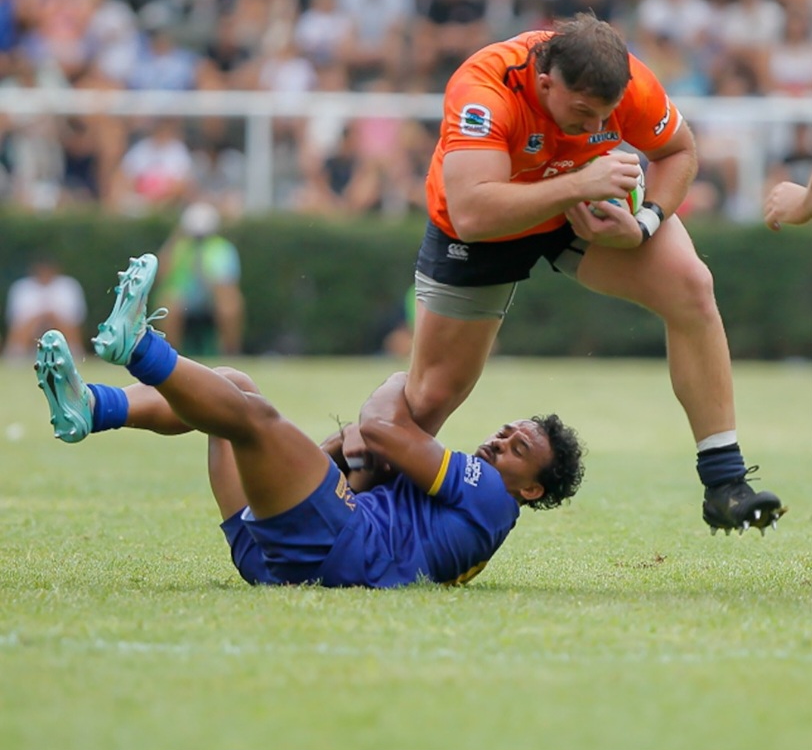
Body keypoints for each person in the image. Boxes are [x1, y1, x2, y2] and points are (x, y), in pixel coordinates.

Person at [396, 12, 784, 536]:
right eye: (581, 112)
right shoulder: (484, 86)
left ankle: (724, 483)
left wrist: (644, 225)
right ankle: (360, 500)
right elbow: (472, 212)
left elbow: (679, 151)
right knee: (428, 400)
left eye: (606, 115)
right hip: (485, 227)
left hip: (576, 210)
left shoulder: (627, 84)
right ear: (545, 82)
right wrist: (582, 183)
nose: (595, 127)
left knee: (691, 288)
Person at [32, 252, 585, 589]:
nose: (501, 441)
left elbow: (382, 428)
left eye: (519, 448)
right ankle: (95, 408)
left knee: (254, 417)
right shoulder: (454, 507)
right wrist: (348, 453)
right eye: (509, 431)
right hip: (286, 555)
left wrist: (399, 383)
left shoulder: (490, 495)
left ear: (532, 489)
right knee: (235, 389)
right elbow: (329, 469)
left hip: (333, 548)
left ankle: (141, 348)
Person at [155, 202, 245, 356]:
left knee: (229, 303)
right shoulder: (178, 247)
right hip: (183, 300)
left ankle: (230, 353)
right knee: (170, 304)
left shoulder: (221, 248)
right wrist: (174, 241)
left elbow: (225, 284)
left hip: (211, 301)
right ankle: (169, 357)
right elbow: (159, 276)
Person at [3, 257, 86, 359]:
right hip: (31, 331)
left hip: (59, 328)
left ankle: (73, 351)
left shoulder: (68, 286)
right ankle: (17, 354)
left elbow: (75, 319)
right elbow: (16, 321)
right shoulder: (21, 287)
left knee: (63, 322)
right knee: (26, 324)